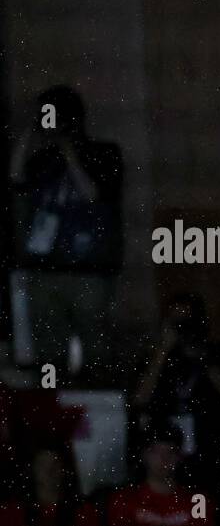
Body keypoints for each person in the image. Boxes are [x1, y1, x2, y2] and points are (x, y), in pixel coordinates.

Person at [8, 85, 123, 383]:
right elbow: (16, 178)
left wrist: (69, 150)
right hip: (45, 270)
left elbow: (93, 193)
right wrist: (29, 135)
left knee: (96, 347)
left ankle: (99, 407)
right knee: (49, 352)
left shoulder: (104, 153)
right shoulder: (43, 159)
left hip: (88, 269)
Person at [132, 293, 220, 491]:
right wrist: (162, 351)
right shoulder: (157, 359)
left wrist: (202, 356)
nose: (182, 328)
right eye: (175, 322)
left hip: (212, 451)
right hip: (168, 453)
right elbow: (138, 399)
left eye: (187, 321)